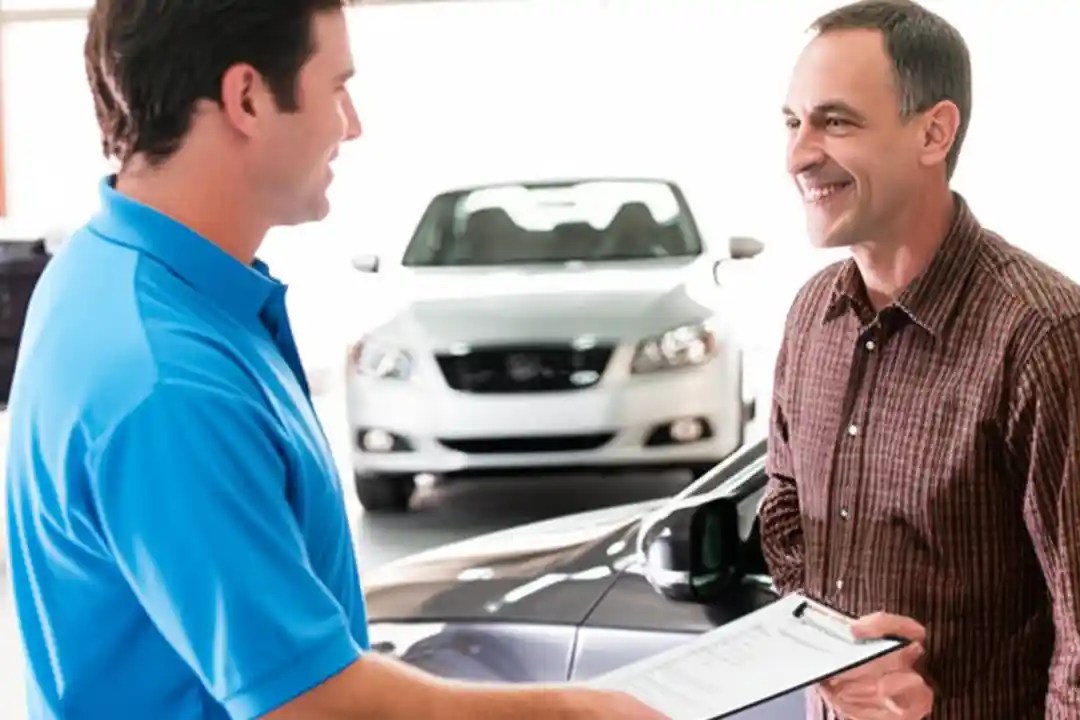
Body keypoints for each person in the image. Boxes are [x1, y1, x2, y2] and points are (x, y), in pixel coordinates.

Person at [3, 2, 661, 718]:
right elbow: (313, 708)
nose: (352, 124)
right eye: (336, 86)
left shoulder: (115, 275)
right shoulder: (166, 378)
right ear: (248, 97)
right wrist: (580, 713)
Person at [759, 1, 1080, 718]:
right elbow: (787, 515)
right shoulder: (811, 320)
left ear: (934, 132)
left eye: (837, 121)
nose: (799, 154)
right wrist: (837, 651)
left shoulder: (1053, 339)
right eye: (793, 122)